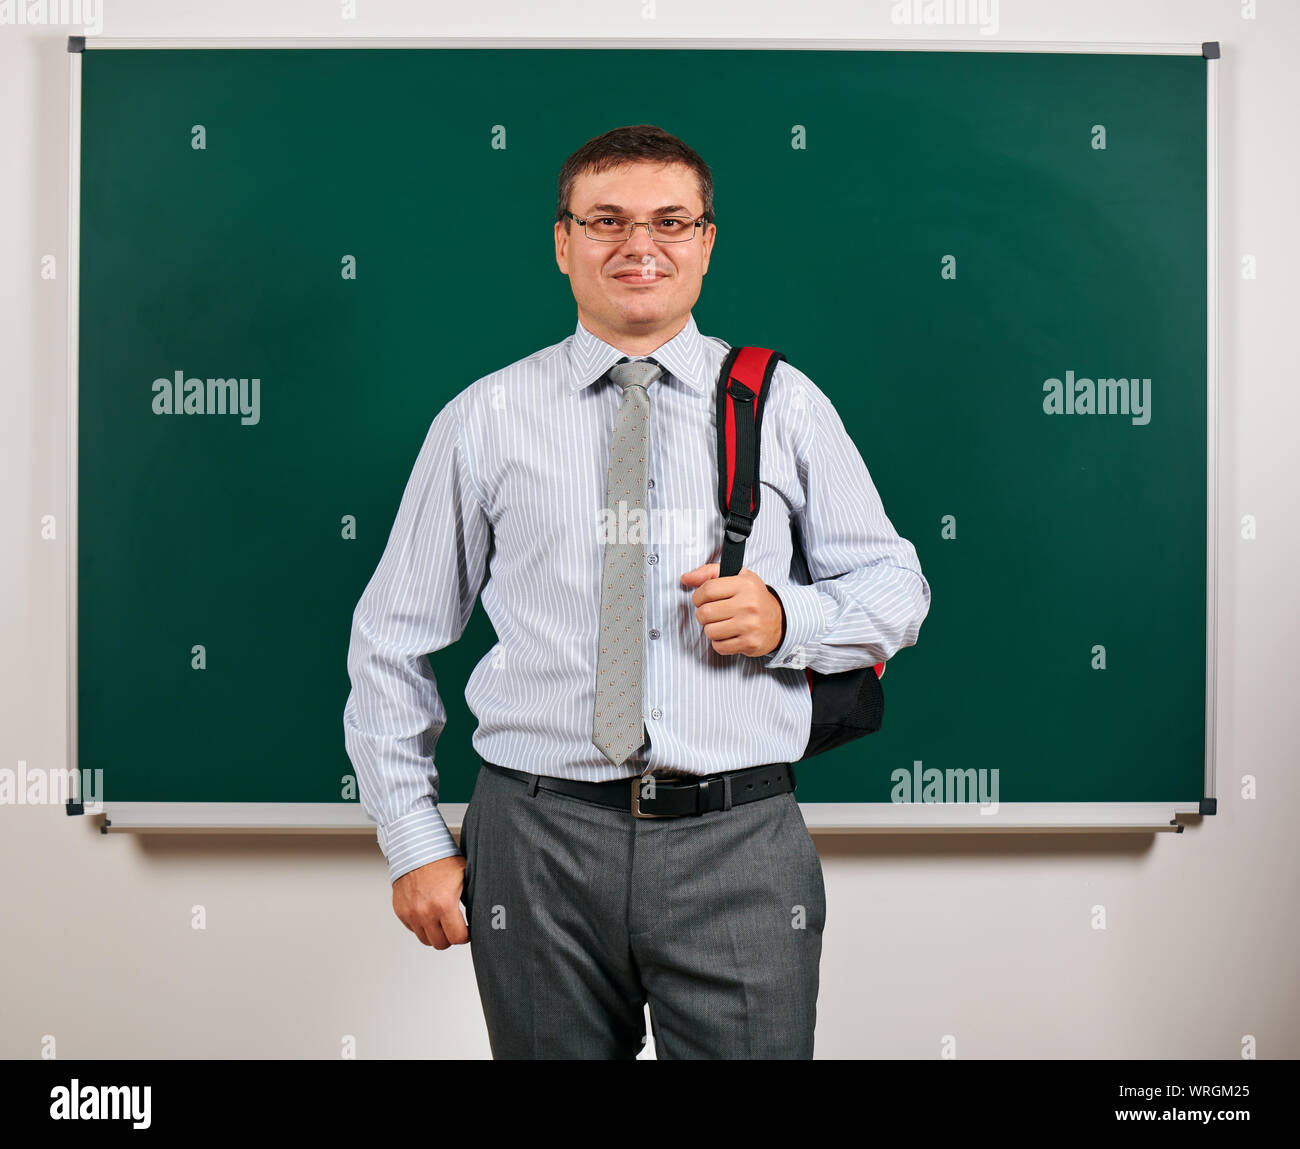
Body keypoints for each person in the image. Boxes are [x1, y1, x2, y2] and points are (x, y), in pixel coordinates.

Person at [343, 124, 931, 1059]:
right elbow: (391, 641)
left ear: (706, 241)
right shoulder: (483, 416)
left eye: (669, 221)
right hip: (535, 841)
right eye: (606, 220)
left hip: (739, 841)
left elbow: (898, 586)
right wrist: (414, 840)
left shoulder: (784, 403)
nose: (638, 245)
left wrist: (789, 618)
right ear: (562, 242)